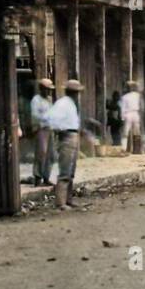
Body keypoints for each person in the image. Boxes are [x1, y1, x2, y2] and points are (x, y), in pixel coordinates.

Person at [49, 80, 83, 210]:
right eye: (76, 92)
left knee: (70, 170)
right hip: (67, 136)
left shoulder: (71, 104)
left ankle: (68, 199)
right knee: (65, 170)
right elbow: (53, 120)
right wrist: (62, 129)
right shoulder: (62, 103)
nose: (77, 95)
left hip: (73, 135)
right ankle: (60, 202)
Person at [30, 78, 55, 186]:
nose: (49, 92)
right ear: (42, 89)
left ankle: (46, 176)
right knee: (41, 153)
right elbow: (35, 115)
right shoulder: (36, 100)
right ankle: (37, 176)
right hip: (41, 129)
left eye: (50, 90)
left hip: (50, 128)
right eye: (47, 89)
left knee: (51, 154)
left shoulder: (49, 99)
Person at [119, 80, 144, 153]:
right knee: (137, 132)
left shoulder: (125, 97)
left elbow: (122, 108)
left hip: (128, 114)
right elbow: (142, 106)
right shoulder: (138, 95)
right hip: (136, 113)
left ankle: (124, 148)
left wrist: (122, 117)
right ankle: (137, 149)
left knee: (125, 133)